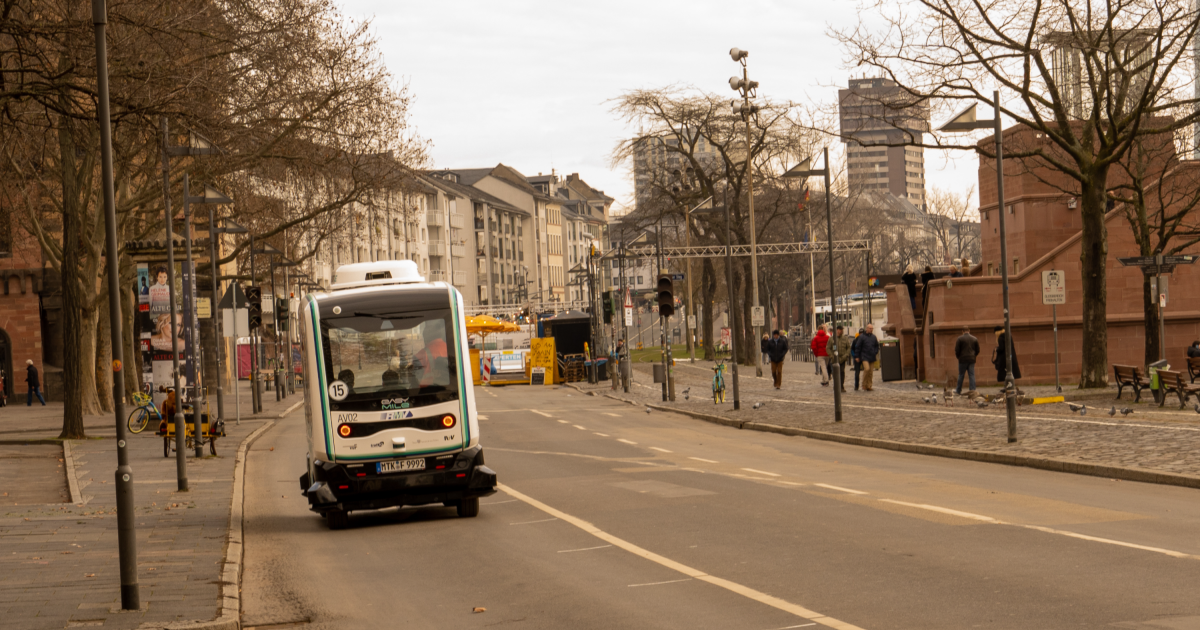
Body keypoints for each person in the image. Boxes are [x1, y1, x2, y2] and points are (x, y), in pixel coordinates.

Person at [954, 326, 980, 396]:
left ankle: (958, 390)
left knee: (961, 375)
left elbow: (957, 350)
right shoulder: (974, 339)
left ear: (962, 331)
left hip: (962, 359)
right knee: (971, 374)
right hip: (972, 359)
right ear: (969, 330)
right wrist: (974, 356)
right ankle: (972, 390)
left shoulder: (959, 339)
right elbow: (977, 350)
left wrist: (958, 357)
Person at [826, 325, 852, 393]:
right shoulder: (831, 339)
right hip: (834, 359)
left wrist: (846, 355)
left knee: (842, 372)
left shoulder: (845, 338)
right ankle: (836, 386)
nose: (841, 331)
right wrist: (832, 356)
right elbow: (828, 348)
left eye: (842, 329)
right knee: (835, 373)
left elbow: (848, 347)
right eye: (840, 329)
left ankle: (841, 386)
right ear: (837, 330)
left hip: (843, 359)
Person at [858, 324, 880, 391]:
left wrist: (875, 352)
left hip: (872, 356)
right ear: (867, 328)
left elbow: (877, 346)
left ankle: (869, 385)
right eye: (870, 328)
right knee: (867, 369)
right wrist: (857, 356)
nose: (871, 329)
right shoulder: (862, 337)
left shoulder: (874, 337)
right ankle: (864, 384)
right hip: (864, 356)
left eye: (872, 328)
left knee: (870, 372)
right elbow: (858, 347)